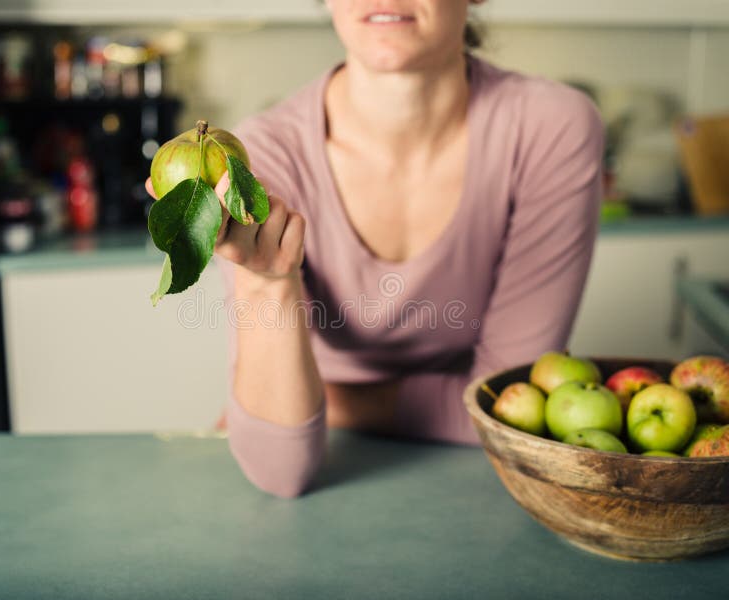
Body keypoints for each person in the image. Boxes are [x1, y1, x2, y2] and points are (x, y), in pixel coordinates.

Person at [150, 0, 604, 498]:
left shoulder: (552, 127)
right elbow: (281, 472)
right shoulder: (263, 155)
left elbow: (511, 406)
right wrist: (268, 280)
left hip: (487, 482)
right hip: (339, 475)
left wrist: (331, 400)